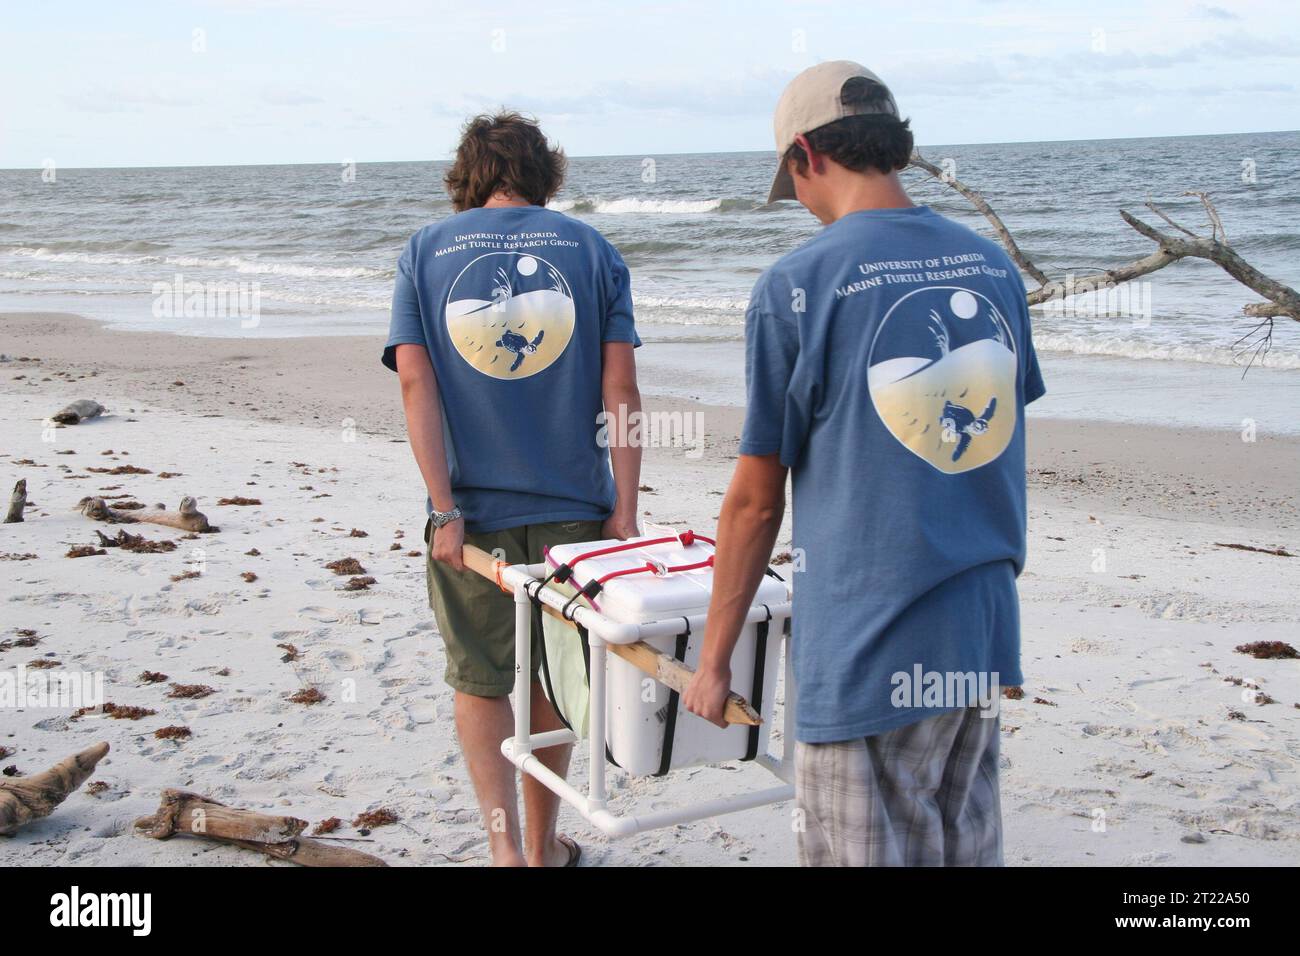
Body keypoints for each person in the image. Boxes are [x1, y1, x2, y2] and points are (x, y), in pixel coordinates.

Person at [683, 61, 1045, 866]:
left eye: (795, 181)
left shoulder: (797, 284)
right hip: (979, 625)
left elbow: (754, 500)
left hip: (867, 637)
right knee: (959, 842)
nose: (802, 203)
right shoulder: (990, 268)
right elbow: (991, 437)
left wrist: (713, 663)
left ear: (808, 153)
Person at [384, 111, 643, 867]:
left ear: (469, 174)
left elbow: (413, 380)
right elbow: (620, 389)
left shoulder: (425, 249)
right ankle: (543, 851)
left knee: (481, 677)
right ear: (544, 173)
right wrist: (624, 511)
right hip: (575, 513)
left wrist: (442, 507)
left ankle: (503, 853)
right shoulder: (591, 248)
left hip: (474, 515)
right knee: (556, 683)